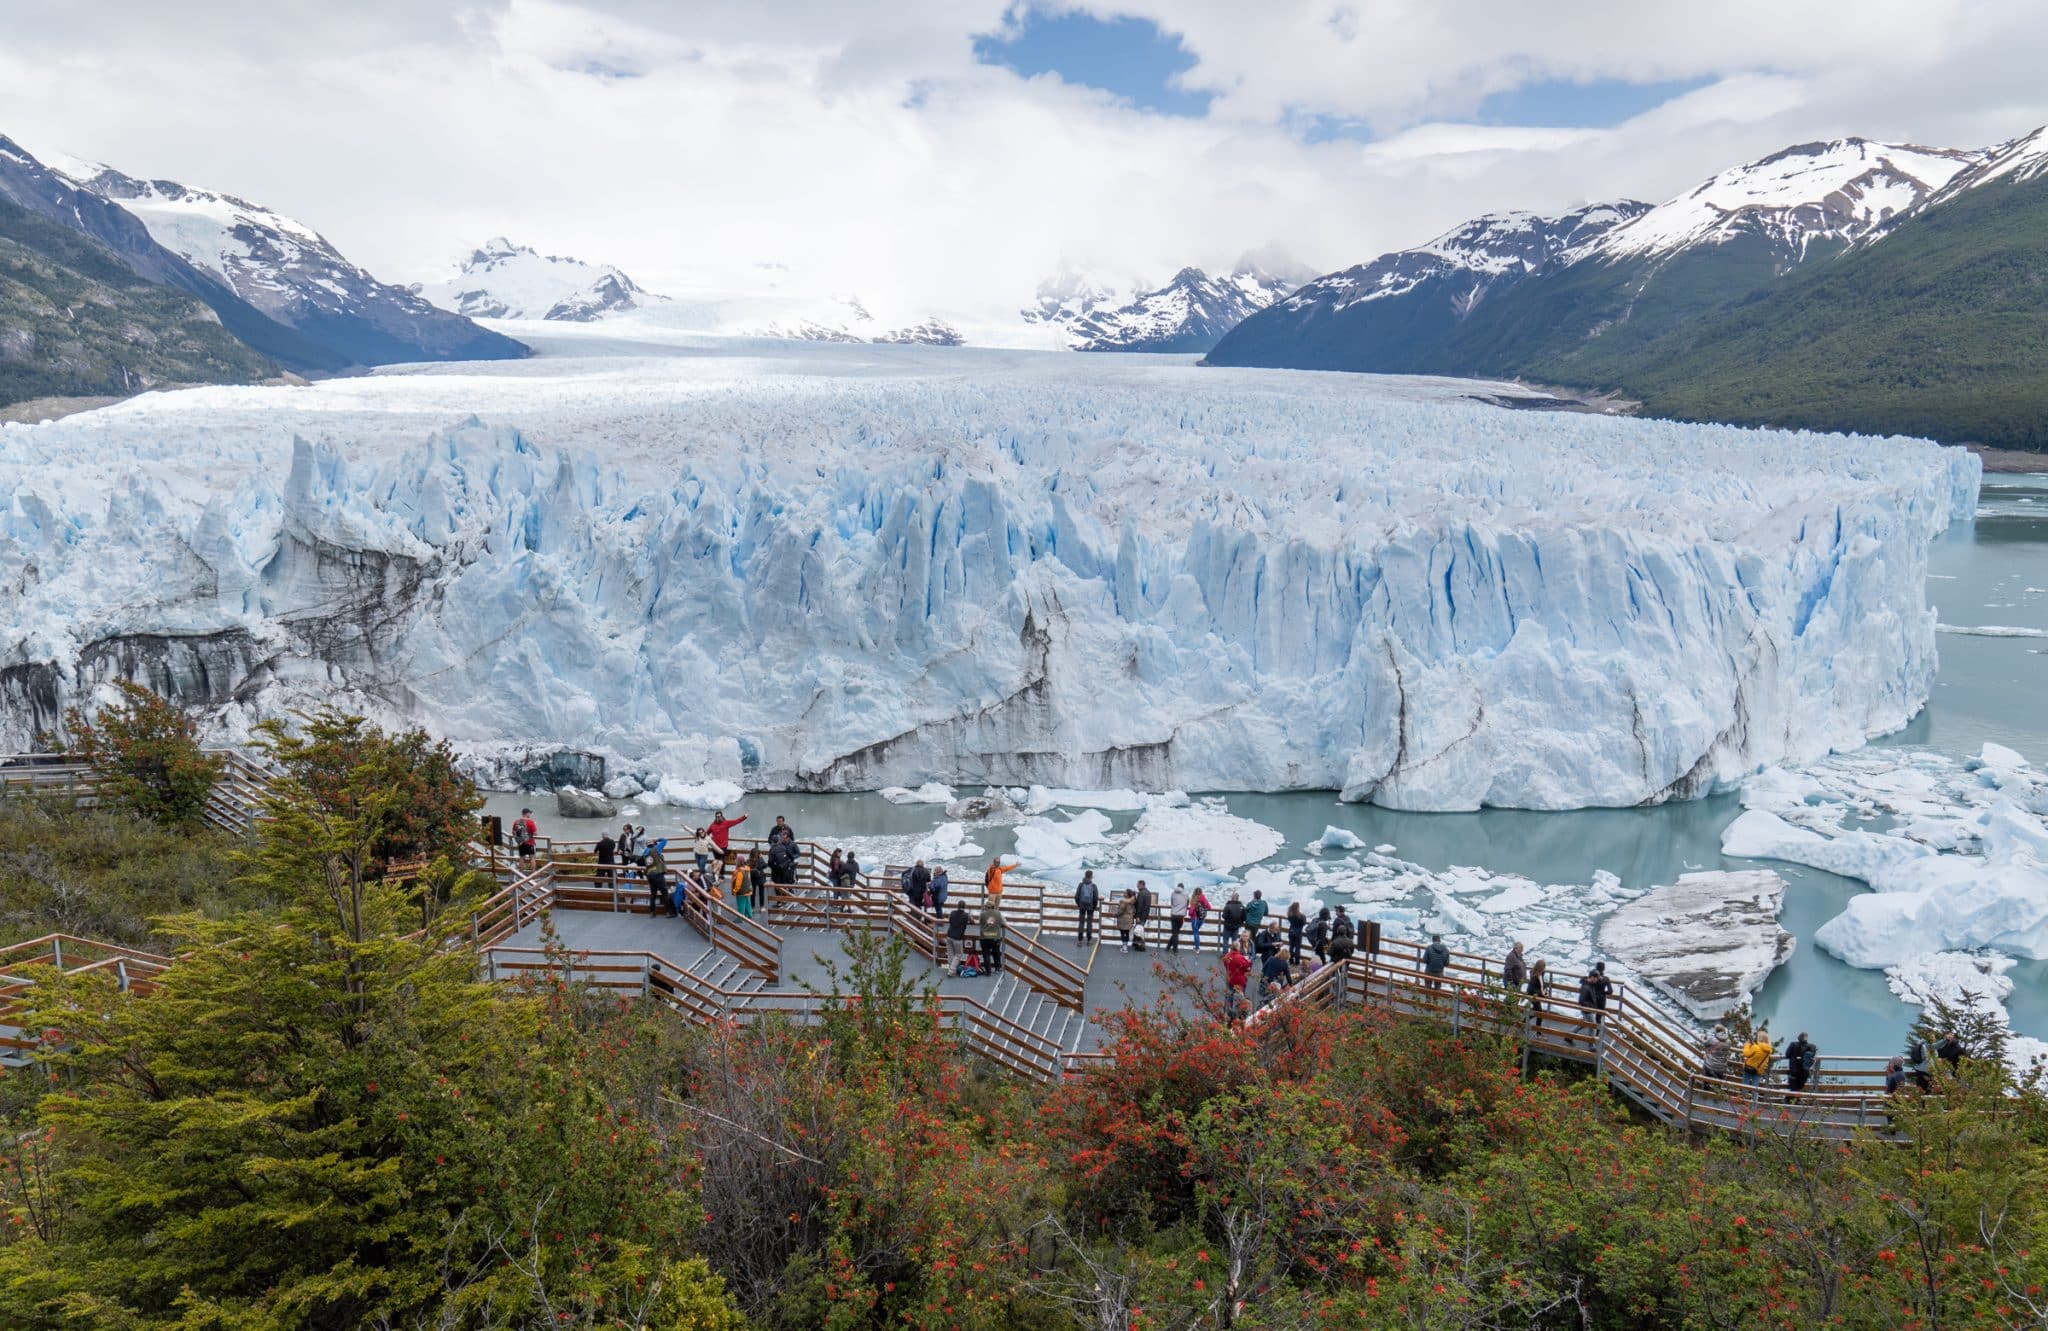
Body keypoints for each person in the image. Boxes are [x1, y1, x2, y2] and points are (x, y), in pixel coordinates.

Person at [1223, 943, 1251, 1020]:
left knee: (1230, 994)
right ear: (1237, 948)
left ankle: (1228, 1011)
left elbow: (1225, 964)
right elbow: (1247, 966)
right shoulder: (1239, 957)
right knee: (1240, 996)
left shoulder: (1227, 956)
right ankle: (1239, 1013)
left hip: (1230, 978)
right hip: (1239, 980)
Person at [978, 897, 1005, 973]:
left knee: (986, 954)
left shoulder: (982, 914)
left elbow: (980, 922)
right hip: (995, 937)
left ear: (987, 907)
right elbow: (1004, 923)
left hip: (984, 937)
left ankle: (988, 970)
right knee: (996, 953)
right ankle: (997, 968)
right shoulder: (998, 913)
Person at [645, 841, 670, 917]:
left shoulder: (645, 852)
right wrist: (657, 839)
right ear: (654, 845)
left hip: (649, 874)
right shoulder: (656, 849)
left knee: (653, 894)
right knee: (665, 893)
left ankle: (652, 912)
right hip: (658, 874)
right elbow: (664, 840)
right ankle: (668, 912)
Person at [1075, 870, 1100, 943]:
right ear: (1091, 876)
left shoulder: (1080, 885)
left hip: (1082, 906)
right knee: (1089, 923)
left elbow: (1076, 896)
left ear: (1085, 875)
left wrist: (1079, 904)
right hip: (1090, 907)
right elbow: (1095, 898)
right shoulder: (1093, 886)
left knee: (1081, 922)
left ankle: (1080, 940)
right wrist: (1094, 906)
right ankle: (1089, 940)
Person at [946, 902, 972, 971]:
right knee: (958, 954)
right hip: (958, 937)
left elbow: (949, 919)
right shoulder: (966, 915)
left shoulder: (952, 913)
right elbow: (973, 921)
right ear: (965, 907)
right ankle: (952, 969)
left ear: (957, 906)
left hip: (949, 935)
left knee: (950, 953)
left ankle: (950, 968)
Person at [1525, 959, 1547, 1029]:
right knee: (1539, 1013)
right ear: (1542, 968)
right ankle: (1538, 1033)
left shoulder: (1533, 972)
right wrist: (1544, 993)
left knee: (1536, 1010)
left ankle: (1523, 1021)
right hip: (1534, 995)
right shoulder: (1538, 976)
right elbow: (1540, 986)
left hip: (1530, 993)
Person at [1188, 887, 1211, 953]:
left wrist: (1191, 913)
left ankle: (1197, 948)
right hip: (1201, 918)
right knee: (1196, 932)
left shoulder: (1194, 898)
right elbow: (1209, 907)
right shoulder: (1203, 897)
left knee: (1196, 933)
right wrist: (1202, 908)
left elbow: (1190, 912)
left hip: (1195, 918)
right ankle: (1197, 947)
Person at [1168, 883, 1189, 953]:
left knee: (1175, 932)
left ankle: (1168, 947)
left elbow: (1172, 903)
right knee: (1176, 933)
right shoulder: (1186, 894)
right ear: (1183, 888)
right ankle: (1175, 949)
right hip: (1181, 916)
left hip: (1173, 915)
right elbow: (1187, 903)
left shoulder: (1173, 893)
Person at [746, 849, 766, 917]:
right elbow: (765, 865)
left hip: (752, 879)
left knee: (752, 894)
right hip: (760, 878)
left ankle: (752, 907)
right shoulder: (760, 861)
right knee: (761, 893)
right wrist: (761, 858)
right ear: (759, 854)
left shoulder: (748, 861)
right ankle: (762, 907)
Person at [1133, 880, 1153, 949]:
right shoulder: (1148, 892)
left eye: (1138, 885)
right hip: (1145, 914)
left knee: (1138, 930)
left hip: (1140, 915)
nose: (1137, 886)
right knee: (1139, 929)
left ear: (1142, 885)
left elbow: (1139, 905)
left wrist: (1137, 916)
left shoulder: (1141, 893)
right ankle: (1136, 944)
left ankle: (1141, 946)